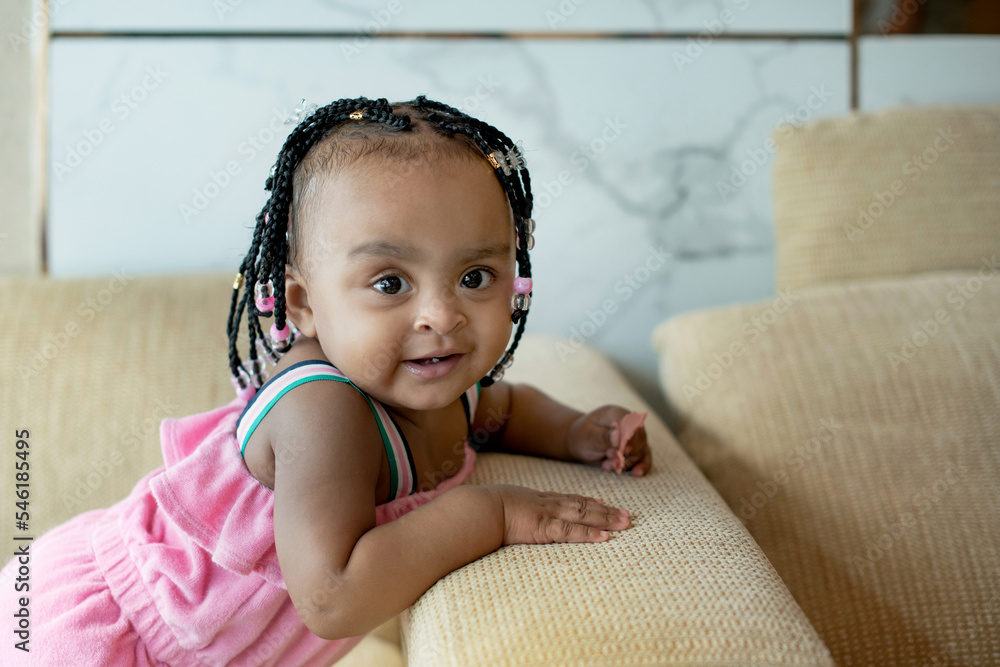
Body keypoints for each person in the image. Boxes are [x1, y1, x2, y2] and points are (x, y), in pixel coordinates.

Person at [1, 95, 651, 666]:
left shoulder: (441, 384)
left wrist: (577, 432)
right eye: (390, 282)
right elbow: (333, 597)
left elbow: (503, 410)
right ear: (304, 304)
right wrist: (495, 511)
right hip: (100, 639)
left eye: (475, 276)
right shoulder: (323, 408)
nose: (442, 314)